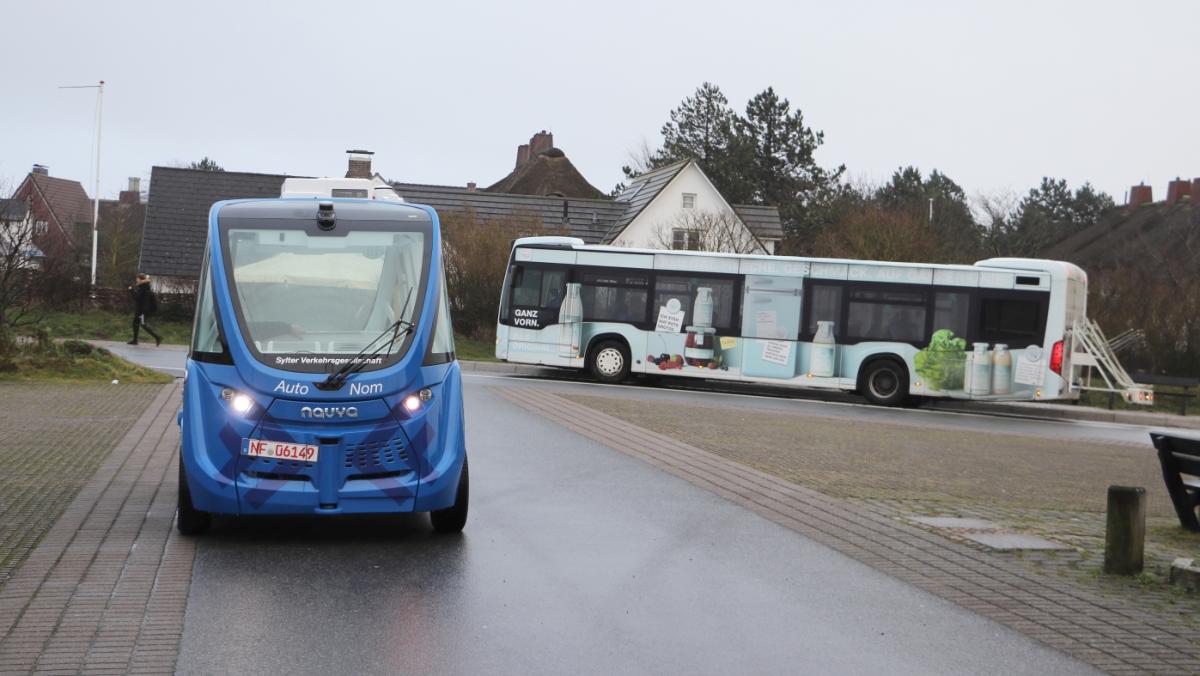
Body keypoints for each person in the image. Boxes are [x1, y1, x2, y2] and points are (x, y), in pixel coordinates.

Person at [127, 273, 161, 346]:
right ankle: (135, 340)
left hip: (142, 311)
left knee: (143, 324)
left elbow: (137, 298)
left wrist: (131, 290)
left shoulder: (143, 288)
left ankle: (157, 337)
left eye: (137, 278)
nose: (136, 280)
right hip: (140, 309)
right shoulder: (144, 287)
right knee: (135, 323)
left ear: (140, 279)